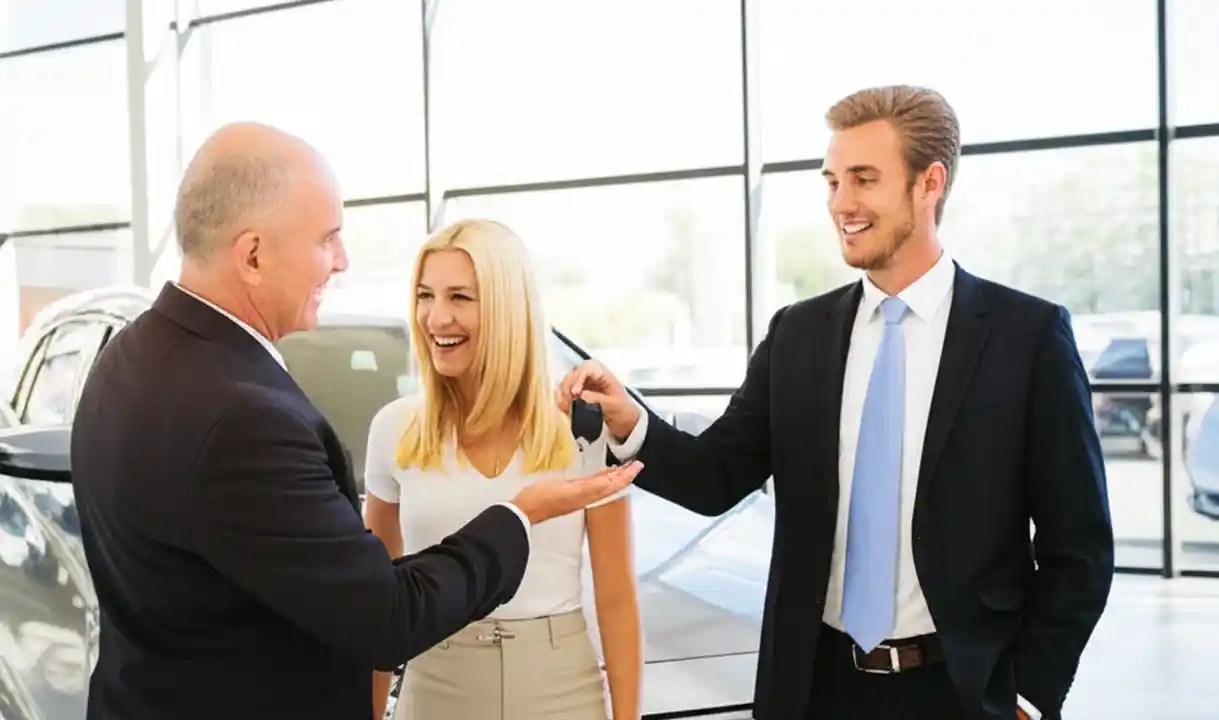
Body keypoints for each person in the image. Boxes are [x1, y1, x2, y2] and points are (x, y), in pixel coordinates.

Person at [559, 85, 1114, 720]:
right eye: (831, 182)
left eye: (863, 179)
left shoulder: (1028, 336)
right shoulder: (798, 334)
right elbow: (717, 476)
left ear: (928, 183)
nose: (840, 204)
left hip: (961, 692)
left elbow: (1080, 547)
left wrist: (1027, 694)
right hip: (815, 688)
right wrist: (632, 422)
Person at [69, 122, 642, 720]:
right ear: (254, 256)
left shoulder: (125, 361)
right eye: (327, 239)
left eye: (461, 296)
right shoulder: (245, 416)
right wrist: (522, 514)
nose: (341, 262)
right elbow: (385, 616)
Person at [363, 219, 642, 720]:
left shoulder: (580, 430)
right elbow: (374, 603)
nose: (436, 317)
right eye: (426, 296)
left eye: (460, 298)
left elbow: (617, 598)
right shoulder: (394, 430)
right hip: (434, 684)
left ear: (508, 309)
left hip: (562, 689)